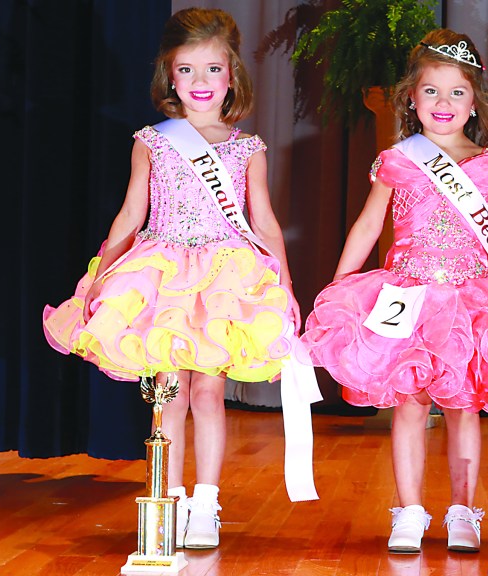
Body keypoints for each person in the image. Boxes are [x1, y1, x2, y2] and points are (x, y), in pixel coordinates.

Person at [43, 8, 299, 550]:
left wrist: (286, 288)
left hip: (222, 279)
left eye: (212, 69)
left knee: (209, 391)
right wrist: (99, 276)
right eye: (187, 70)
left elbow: (265, 222)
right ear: (168, 74)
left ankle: (206, 502)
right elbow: (131, 214)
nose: (200, 83)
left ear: (232, 76)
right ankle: (172, 496)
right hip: (162, 277)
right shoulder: (153, 141)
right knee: (170, 393)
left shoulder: (247, 149)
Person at [302, 29, 488, 554]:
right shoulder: (398, 161)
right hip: (410, 300)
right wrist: (339, 282)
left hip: (473, 301)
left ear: (475, 102)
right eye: (431, 92)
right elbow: (368, 226)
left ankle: (463, 511)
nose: (443, 104)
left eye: (457, 93)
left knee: (465, 405)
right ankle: (409, 511)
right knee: (410, 404)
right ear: (411, 98)